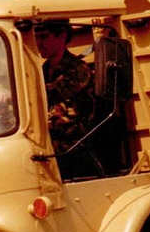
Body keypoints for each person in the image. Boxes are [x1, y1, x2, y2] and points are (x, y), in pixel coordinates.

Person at [35, 21, 104, 178]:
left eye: (44, 37)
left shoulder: (78, 70)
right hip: (52, 147)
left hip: (75, 149)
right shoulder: (42, 72)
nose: (39, 43)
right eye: (36, 38)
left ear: (62, 36)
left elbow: (48, 94)